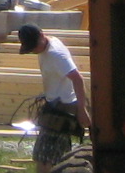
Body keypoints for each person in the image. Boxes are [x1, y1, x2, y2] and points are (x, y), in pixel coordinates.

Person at [19, 23, 90, 173]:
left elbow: (77, 78)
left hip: (63, 110)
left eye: (34, 46)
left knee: (51, 159)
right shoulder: (47, 45)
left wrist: (82, 110)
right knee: (42, 156)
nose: (34, 51)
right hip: (53, 106)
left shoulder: (56, 54)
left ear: (41, 35)